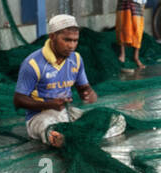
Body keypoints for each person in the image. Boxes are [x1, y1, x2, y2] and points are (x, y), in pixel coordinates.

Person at [14, 14, 99, 149]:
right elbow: (18, 100)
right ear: (52, 36)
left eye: (75, 41)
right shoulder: (33, 63)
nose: (72, 46)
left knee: (106, 120)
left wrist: (89, 93)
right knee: (54, 132)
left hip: (66, 112)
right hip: (39, 117)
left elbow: (84, 88)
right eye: (67, 40)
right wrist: (49, 104)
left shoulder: (76, 59)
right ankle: (53, 136)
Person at [116, 0, 146, 69]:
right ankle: (122, 54)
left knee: (138, 30)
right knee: (122, 27)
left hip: (138, 3)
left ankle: (136, 57)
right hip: (124, 2)